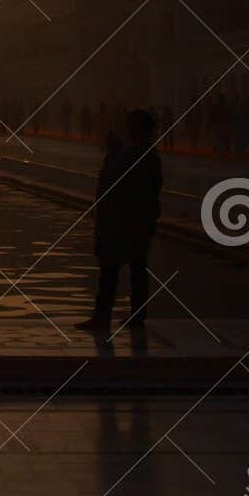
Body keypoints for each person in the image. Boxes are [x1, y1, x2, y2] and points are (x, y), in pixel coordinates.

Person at [78, 109, 163, 337]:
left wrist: (113, 154)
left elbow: (113, 182)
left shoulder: (133, 155)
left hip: (123, 223)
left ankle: (103, 316)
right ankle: (137, 315)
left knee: (110, 270)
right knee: (137, 268)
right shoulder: (148, 155)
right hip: (139, 222)